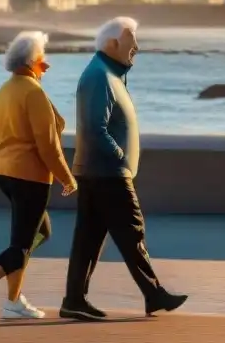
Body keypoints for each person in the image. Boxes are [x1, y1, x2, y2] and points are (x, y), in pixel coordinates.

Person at [59, 17, 188, 321]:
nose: (137, 48)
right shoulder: (99, 77)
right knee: (132, 230)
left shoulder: (109, 74)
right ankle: (154, 294)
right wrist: (121, 157)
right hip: (107, 173)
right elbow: (94, 127)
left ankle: (74, 300)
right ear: (112, 44)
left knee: (89, 239)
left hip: (102, 171)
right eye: (132, 41)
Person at [0, 30, 77, 320]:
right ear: (30, 63)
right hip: (30, 178)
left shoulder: (5, 89)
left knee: (38, 233)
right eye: (42, 61)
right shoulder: (33, 93)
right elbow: (48, 145)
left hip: (6, 174)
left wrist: (5, 156)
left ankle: (13, 301)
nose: (46, 66)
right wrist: (67, 178)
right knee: (24, 242)